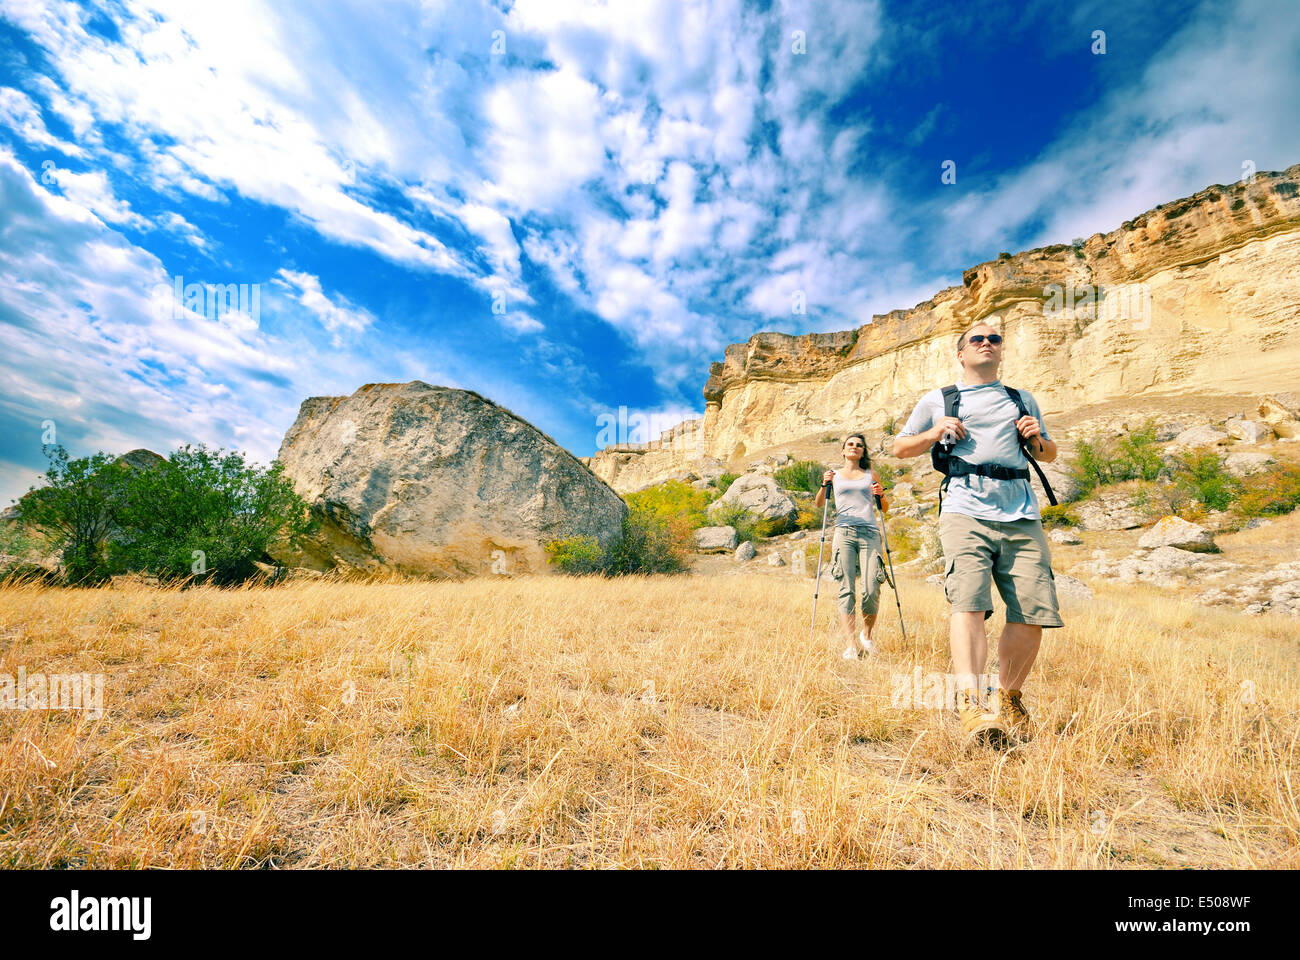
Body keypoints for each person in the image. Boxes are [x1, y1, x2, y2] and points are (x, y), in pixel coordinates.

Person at [892, 321, 1063, 748]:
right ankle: (971, 703)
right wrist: (934, 432)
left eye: (995, 339)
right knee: (968, 603)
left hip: (1021, 512)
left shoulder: (1021, 399)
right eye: (977, 339)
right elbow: (899, 448)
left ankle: (1007, 698)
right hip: (964, 509)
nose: (987, 344)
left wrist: (1036, 436)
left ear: (1001, 351)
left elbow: (1049, 452)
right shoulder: (940, 398)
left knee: (1032, 610)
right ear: (961, 353)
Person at [813, 433, 889, 660]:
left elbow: (883, 507)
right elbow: (819, 503)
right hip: (843, 532)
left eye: (859, 445)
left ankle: (867, 635)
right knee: (846, 588)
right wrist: (823, 484)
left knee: (871, 587)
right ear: (843, 450)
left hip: (869, 532)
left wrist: (881, 494)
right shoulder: (833, 475)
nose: (855, 447)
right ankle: (851, 645)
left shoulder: (871, 475)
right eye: (850, 444)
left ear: (863, 451)